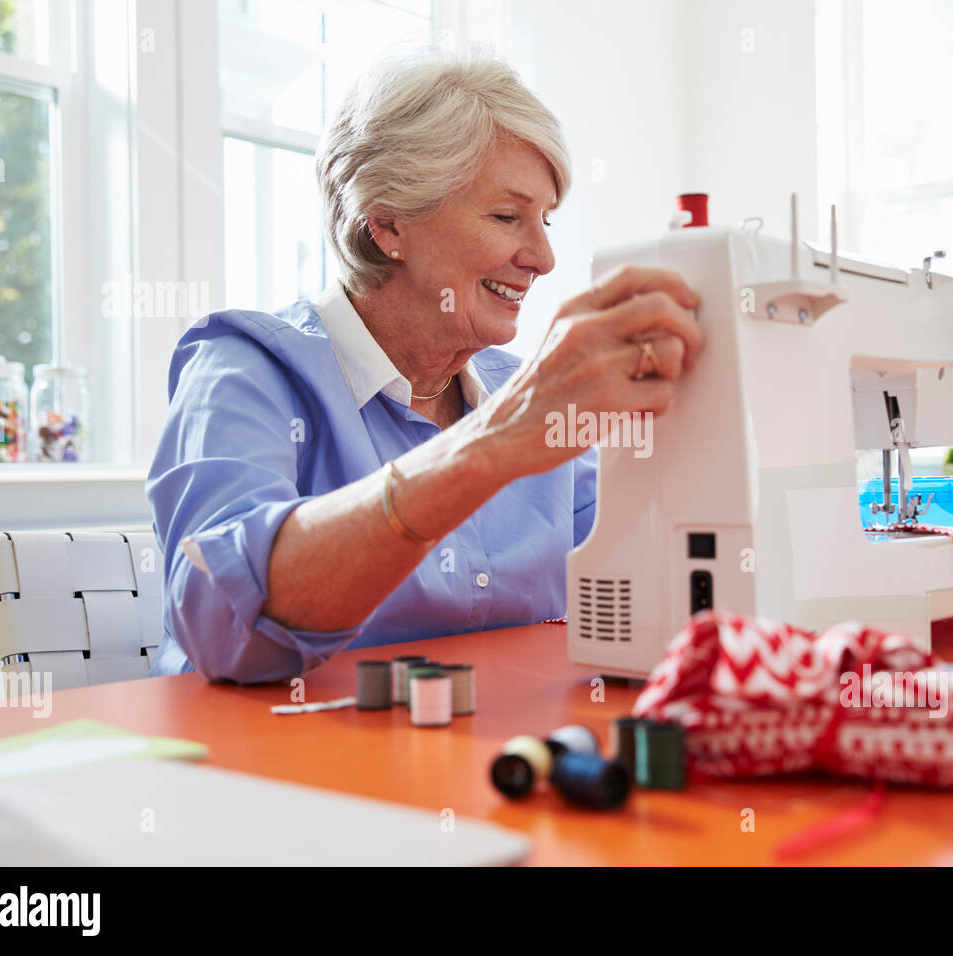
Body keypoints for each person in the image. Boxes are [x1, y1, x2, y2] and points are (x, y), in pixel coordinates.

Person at [146, 51, 703, 682]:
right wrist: (496, 443)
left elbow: (640, 583)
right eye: (506, 216)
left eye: (545, 220)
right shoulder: (243, 372)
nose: (544, 258)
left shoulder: (519, 392)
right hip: (259, 764)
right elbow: (223, 628)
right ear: (387, 224)